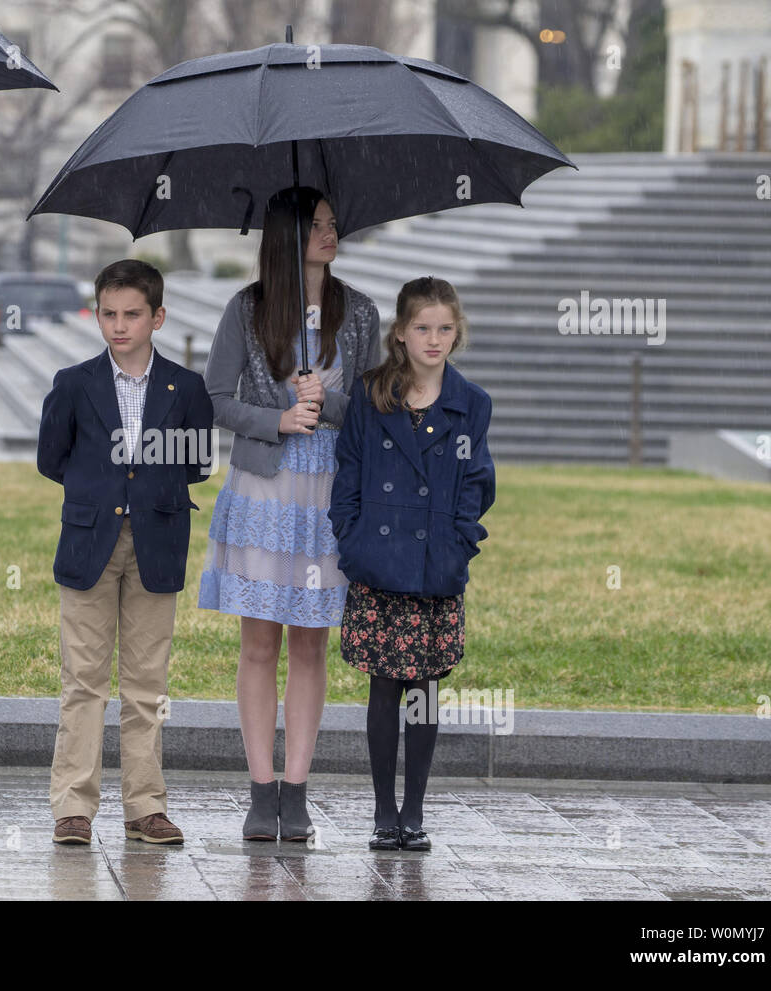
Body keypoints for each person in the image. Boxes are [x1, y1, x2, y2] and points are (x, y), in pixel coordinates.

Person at [199, 187, 381, 841]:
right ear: (288, 234)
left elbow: (374, 402)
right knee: (258, 644)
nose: (332, 234)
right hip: (265, 490)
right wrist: (278, 414)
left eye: (335, 223)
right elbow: (216, 396)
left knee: (310, 642)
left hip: (329, 492)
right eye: (320, 224)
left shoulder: (357, 312)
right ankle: (260, 787)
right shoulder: (246, 310)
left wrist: (324, 402)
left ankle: (297, 789)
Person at [38, 259, 214, 846]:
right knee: (83, 679)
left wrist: (145, 494)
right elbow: (51, 458)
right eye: (109, 314)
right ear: (97, 316)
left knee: (148, 682)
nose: (119, 325)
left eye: (132, 315)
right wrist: (102, 492)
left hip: (157, 543)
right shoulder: (74, 382)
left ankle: (145, 806)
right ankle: (73, 808)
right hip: (89, 540)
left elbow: (198, 463)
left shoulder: (186, 389)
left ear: (157, 317)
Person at [329, 276, 495, 852]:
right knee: (383, 687)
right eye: (422, 327)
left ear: (458, 333)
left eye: (445, 328)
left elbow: (477, 481)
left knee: (423, 688)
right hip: (378, 564)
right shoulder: (370, 397)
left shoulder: (470, 405)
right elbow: (346, 478)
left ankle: (415, 811)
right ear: (400, 333)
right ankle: (382, 809)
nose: (434, 338)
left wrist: (459, 540)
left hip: (434, 567)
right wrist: (353, 543)